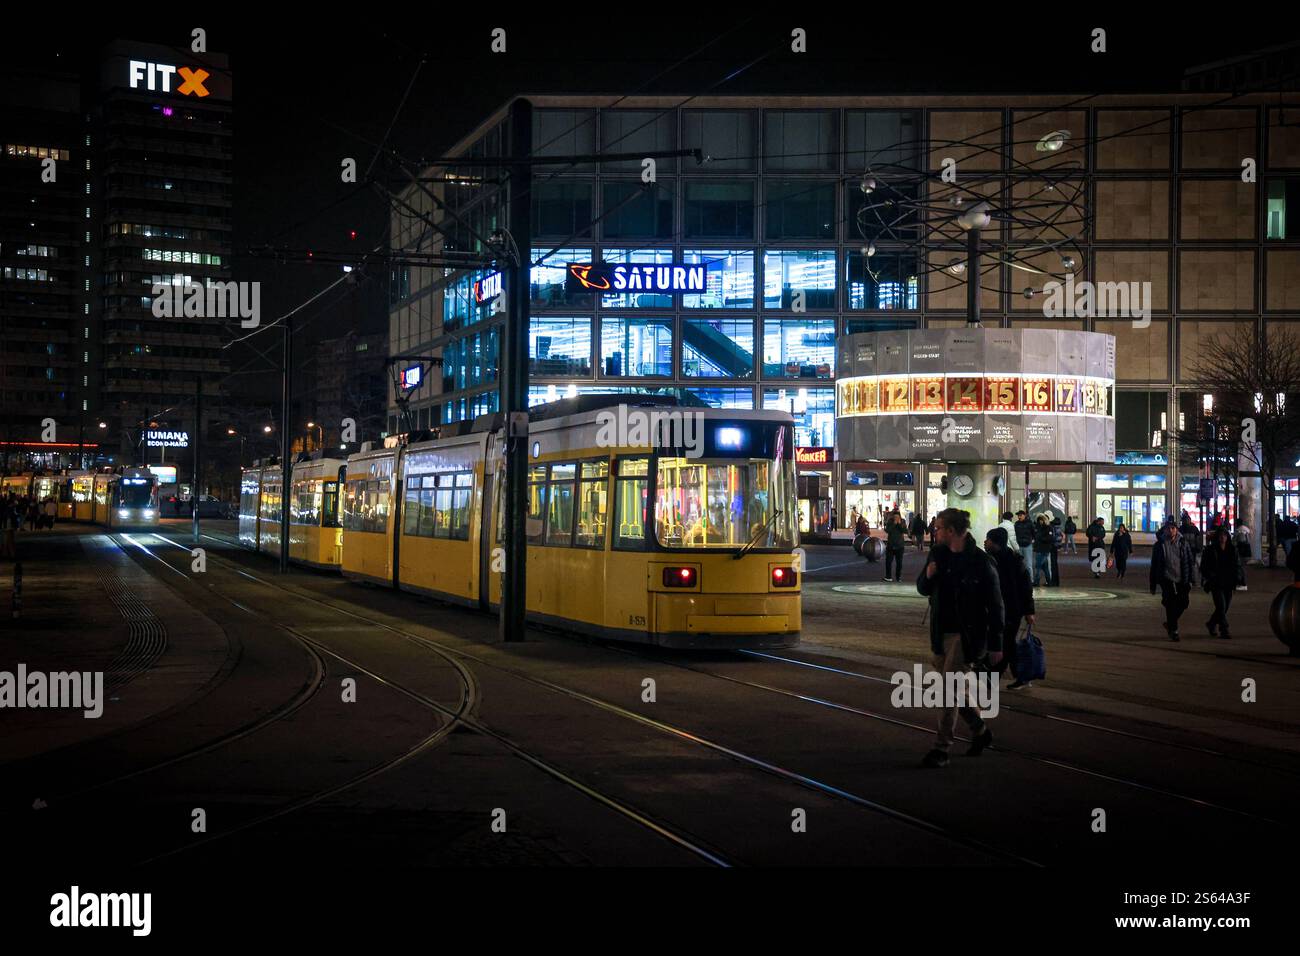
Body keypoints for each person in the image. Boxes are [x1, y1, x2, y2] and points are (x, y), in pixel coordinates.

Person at [916, 508, 1005, 768]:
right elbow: (923, 588)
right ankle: (980, 730)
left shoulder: (980, 561)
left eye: (938, 528)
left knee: (947, 690)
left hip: (967, 636)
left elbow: (996, 604)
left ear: (952, 531)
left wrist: (996, 644)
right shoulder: (938, 554)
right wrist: (928, 576)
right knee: (954, 689)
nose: (934, 532)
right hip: (939, 634)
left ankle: (941, 748)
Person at [984, 527, 1037, 689]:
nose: (985, 542)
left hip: (1012, 609)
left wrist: (1029, 610)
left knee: (1004, 643)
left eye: (988, 539)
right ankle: (1022, 676)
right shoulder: (990, 559)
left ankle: (993, 678)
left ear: (996, 542)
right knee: (1007, 644)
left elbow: (1026, 587)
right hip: (996, 609)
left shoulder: (1013, 561)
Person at [1150, 519, 1198, 642]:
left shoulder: (1183, 543)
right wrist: (1153, 584)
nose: (1171, 530)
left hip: (1182, 577)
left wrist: (1192, 579)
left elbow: (1189, 561)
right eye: (1168, 528)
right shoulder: (1160, 545)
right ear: (1165, 530)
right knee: (1170, 604)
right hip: (1166, 577)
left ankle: (1170, 623)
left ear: (1177, 529)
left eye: (1173, 528)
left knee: (1184, 602)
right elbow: (1154, 565)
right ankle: (1174, 631)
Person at [1200, 526, 1240, 639]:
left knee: (1224, 607)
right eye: (1220, 535)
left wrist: (1238, 577)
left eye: (1224, 535)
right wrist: (1210, 576)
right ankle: (1224, 629)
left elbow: (1237, 565)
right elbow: (1204, 566)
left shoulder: (1232, 549)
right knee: (1221, 606)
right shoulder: (1210, 549)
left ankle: (1211, 623)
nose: (1222, 537)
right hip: (1216, 582)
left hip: (1228, 581)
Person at [1030, 514, 1055, 587]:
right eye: (1039, 520)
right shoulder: (1038, 528)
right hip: (1039, 549)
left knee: (1038, 566)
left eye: (1041, 520)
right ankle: (1049, 582)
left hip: (1044, 550)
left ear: (1044, 520)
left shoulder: (1048, 528)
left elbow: (1050, 538)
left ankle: (1036, 581)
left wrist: (1040, 538)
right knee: (1045, 567)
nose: (1040, 521)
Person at [884, 512, 907, 582]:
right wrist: (894, 524)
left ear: (900, 517)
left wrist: (899, 524)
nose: (896, 518)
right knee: (888, 562)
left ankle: (898, 577)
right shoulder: (890, 521)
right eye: (895, 517)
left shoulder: (903, 521)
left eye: (897, 517)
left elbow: (905, 531)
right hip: (891, 545)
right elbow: (887, 530)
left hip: (900, 545)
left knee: (899, 563)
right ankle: (888, 577)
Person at [1014, 510, 1035, 575]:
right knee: (1020, 564)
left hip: (1027, 546)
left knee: (1028, 564)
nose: (1019, 517)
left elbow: (1034, 533)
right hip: (1019, 546)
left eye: (1020, 515)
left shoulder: (1030, 523)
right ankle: (1021, 579)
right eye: (1018, 516)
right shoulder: (1016, 524)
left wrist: (1032, 540)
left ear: (1024, 515)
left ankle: (1030, 579)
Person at [1233, 520, 1251, 591]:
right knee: (1242, 567)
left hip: (1241, 551)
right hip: (1247, 550)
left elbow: (1235, 541)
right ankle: (1242, 583)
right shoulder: (1246, 529)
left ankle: (1243, 584)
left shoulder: (1238, 530)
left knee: (1240, 568)